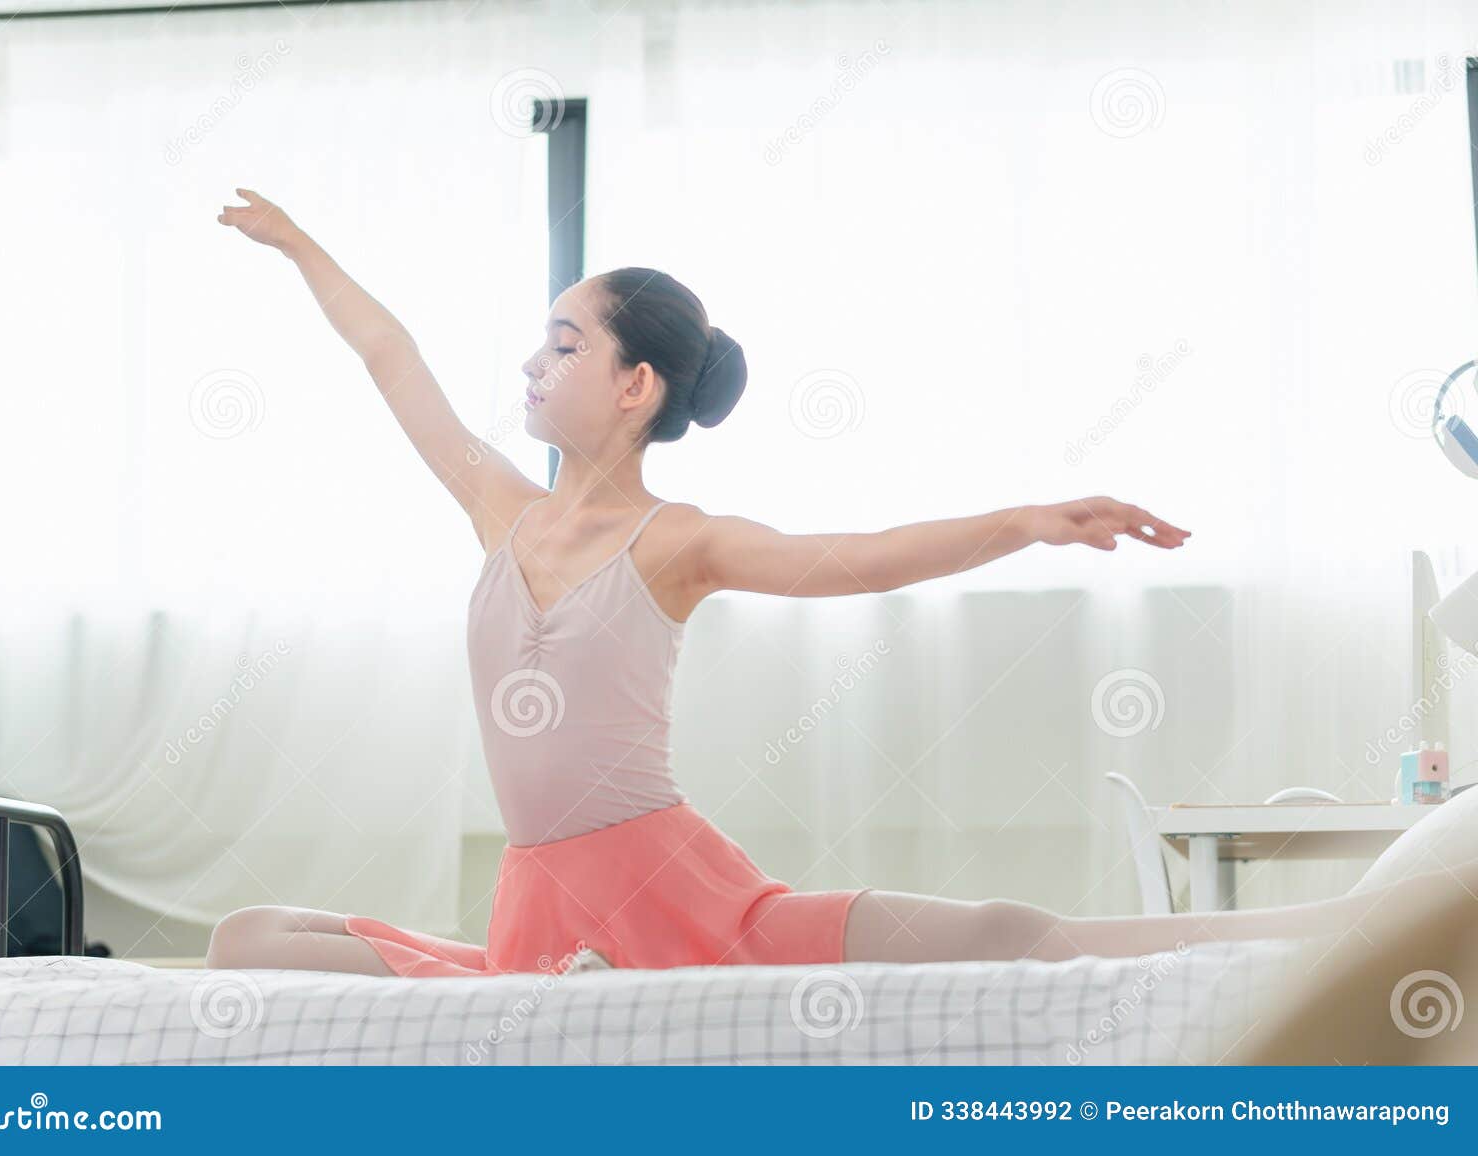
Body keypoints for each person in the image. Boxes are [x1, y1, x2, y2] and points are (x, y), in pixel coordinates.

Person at [202, 189, 1469, 978]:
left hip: (680, 891)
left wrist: (1027, 519)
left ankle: (1348, 927)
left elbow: (860, 560)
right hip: (547, 907)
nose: (532, 363)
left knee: (1008, 936)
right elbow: (390, 356)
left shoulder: (678, 541)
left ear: (635, 385)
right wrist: (301, 242)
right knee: (242, 936)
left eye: (564, 342)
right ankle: (523, 969)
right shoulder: (501, 509)